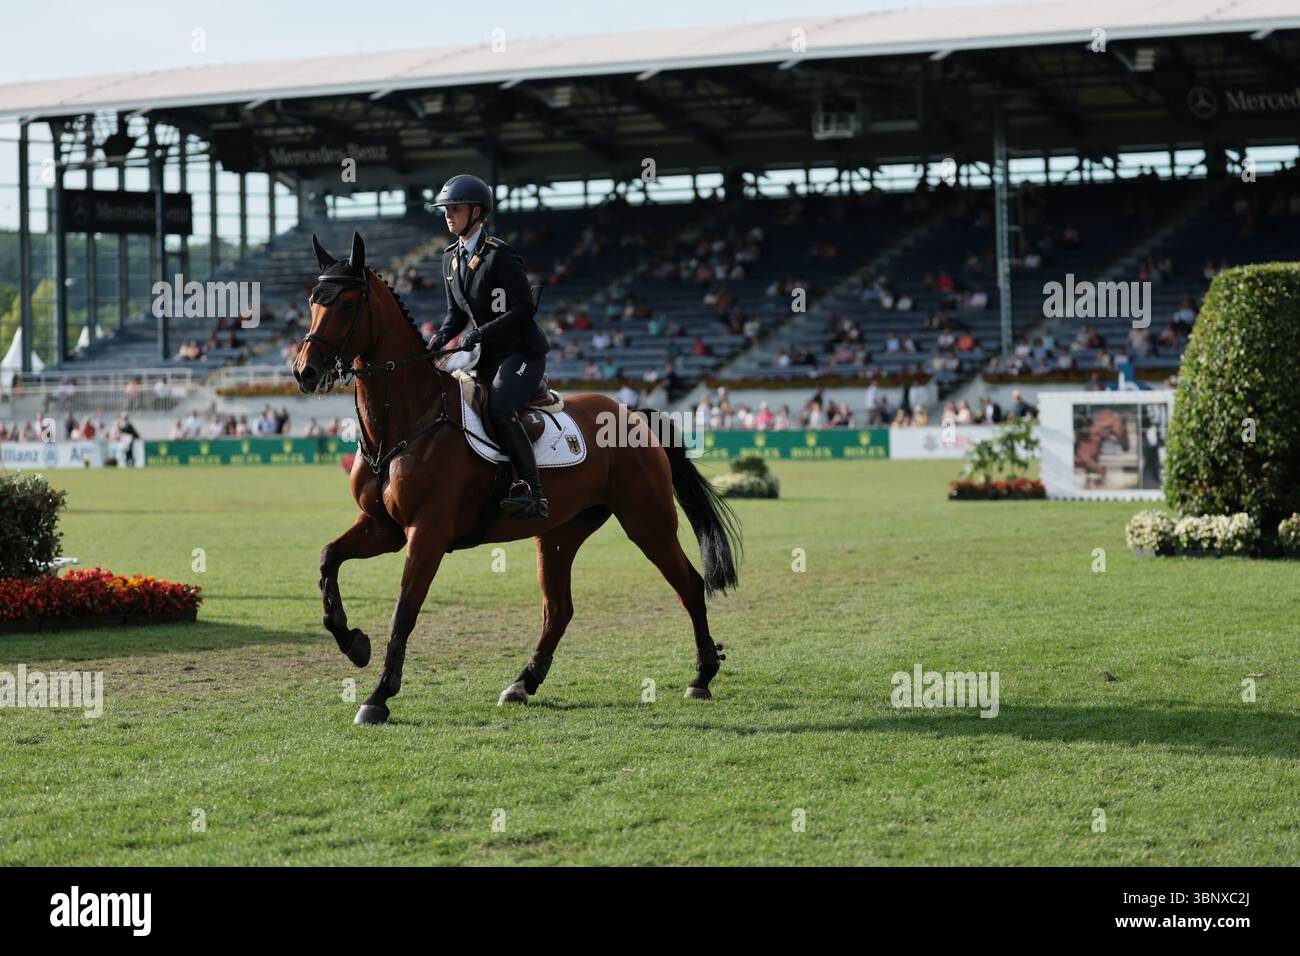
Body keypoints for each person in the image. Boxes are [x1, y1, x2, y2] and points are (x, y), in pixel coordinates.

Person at [426, 174, 550, 519]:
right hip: (489, 356)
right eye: (446, 210)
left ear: (477, 212)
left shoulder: (499, 255)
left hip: (522, 353)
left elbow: (524, 309)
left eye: (455, 208)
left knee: (498, 406)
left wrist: (480, 334)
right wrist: (436, 342)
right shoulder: (450, 258)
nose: (448, 215)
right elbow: (455, 314)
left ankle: (534, 493)